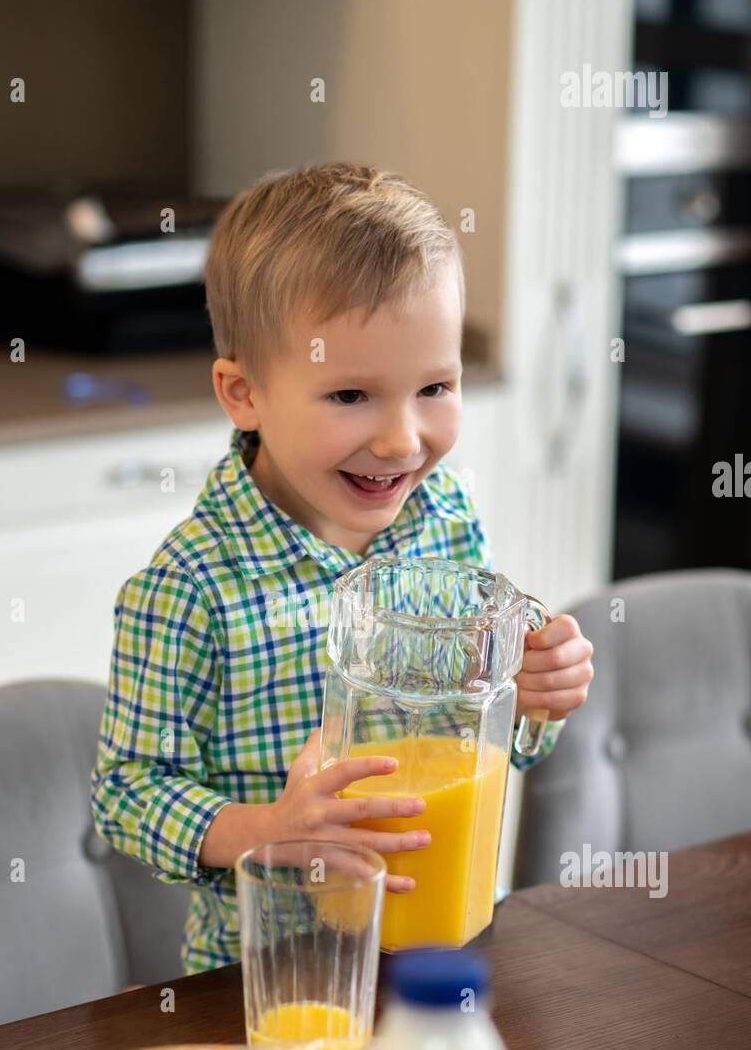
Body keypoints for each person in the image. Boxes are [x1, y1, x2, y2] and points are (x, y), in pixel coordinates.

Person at [90, 162, 594, 974]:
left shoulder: (448, 522)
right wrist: (268, 830)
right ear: (242, 393)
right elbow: (127, 796)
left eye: (435, 386)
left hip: (449, 949)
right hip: (278, 974)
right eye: (350, 396)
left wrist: (536, 697)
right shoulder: (190, 585)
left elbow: (501, 743)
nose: (402, 440)